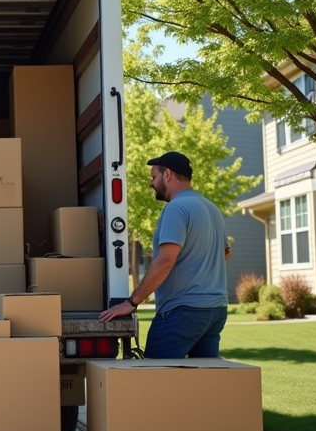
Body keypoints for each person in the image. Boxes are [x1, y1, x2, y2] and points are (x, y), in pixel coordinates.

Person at [98, 151, 230, 358]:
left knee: (156, 377)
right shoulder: (212, 209)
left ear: (167, 174)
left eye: (153, 177)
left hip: (183, 311)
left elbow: (166, 260)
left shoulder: (176, 209)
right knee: (205, 380)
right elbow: (225, 254)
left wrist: (131, 302)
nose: (151, 183)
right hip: (216, 310)